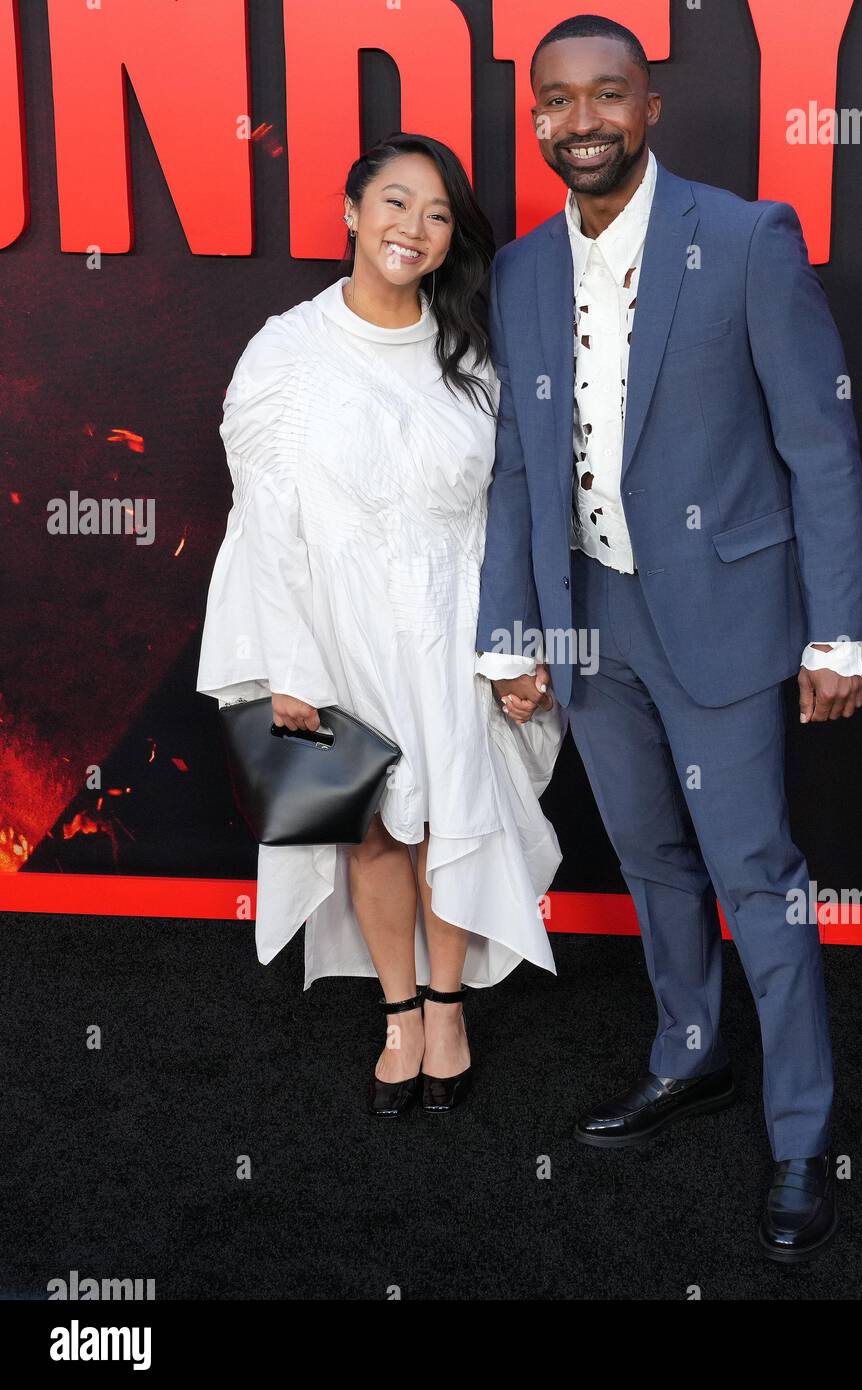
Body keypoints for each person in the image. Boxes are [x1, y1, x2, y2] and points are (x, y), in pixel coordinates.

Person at [473, 16, 862, 1261]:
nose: (579, 119)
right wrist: (509, 630)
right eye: (555, 100)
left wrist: (838, 633)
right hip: (589, 619)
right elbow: (515, 471)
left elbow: (820, 447)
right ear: (533, 118)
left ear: (649, 109)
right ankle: (685, 1054)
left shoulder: (747, 238)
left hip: (721, 617)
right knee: (651, 860)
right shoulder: (521, 270)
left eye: (606, 96)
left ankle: (801, 1132)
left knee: (753, 873)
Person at [196, 133, 565, 1119]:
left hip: (453, 630)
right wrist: (289, 669)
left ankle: (447, 1011)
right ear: (352, 211)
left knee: (454, 818)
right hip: (333, 632)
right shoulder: (284, 352)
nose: (414, 227)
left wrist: (511, 647)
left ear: (452, 241)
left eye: (438, 214)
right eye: (395, 202)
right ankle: (397, 1013)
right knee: (368, 830)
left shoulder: (473, 362)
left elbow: (506, 520)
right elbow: (263, 528)